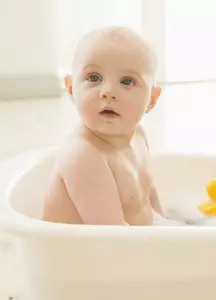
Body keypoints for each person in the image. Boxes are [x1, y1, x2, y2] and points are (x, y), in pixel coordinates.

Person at [42, 26, 169, 226]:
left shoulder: (138, 136)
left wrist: (168, 225)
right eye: (94, 78)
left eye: (127, 81)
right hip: (82, 254)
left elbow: (147, 190)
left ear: (152, 99)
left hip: (128, 243)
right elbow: (109, 237)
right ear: (71, 88)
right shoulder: (83, 155)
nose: (108, 92)